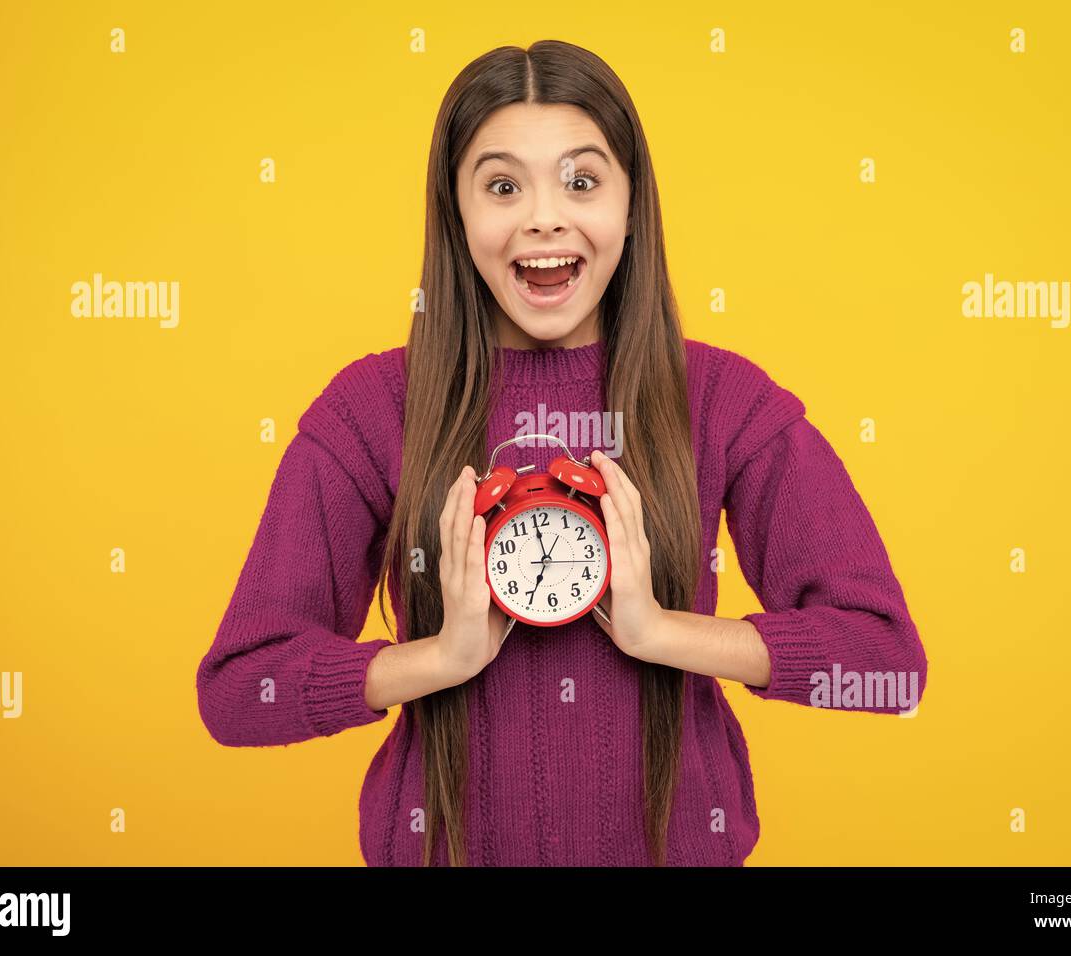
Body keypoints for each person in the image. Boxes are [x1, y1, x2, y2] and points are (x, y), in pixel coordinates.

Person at [195, 39, 928, 867]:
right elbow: (237, 694)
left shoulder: (723, 399)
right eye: (503, 186)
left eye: (582, 180)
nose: (544, 217)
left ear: (631, 202)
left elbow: (888, 663)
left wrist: (662, 633)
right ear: (456, 211)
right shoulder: (372, 410)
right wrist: (440, 658)